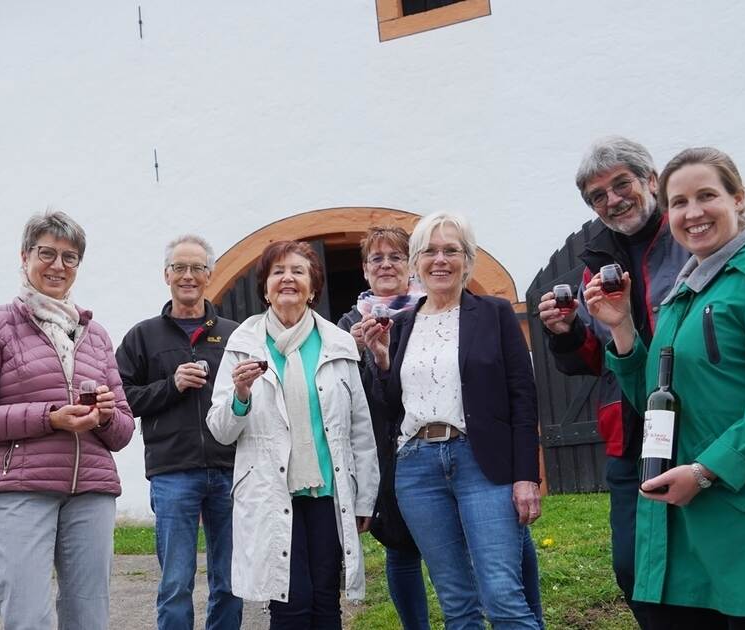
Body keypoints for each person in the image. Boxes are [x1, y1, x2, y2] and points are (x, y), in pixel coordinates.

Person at [588, 147, 745, 629]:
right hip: (687, 513)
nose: (692, 212)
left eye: (706, 196)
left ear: (737, 198)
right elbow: (656, 400)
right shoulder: (689, 288)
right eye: (679, 202)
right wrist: (621, 328)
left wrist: (705, 471)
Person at [0, 210, 135, 630]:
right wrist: (51, 418)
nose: (58, 265)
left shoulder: (96, 334)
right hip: (22, 486)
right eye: (47, 253)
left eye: (70, 257)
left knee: (89, 617)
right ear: (25, 256)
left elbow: (124, 429)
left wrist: (105, 416)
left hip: (91, 488)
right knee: (27, 615)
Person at [538, 135, 689, 627]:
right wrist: (566, 332)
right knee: (632, 566)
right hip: (630, 431)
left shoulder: (688, 239)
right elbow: (594, 360)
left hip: (697, 419)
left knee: (700, 559)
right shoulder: (596, 263)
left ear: (651, 180)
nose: (612, 200)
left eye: (621, 184)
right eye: (597, 196)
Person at [362, 212, 540, 629]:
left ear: (468, 259)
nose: (440, 260)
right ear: (416, 263)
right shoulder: (402, 324)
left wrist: (526, 477)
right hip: (417, 469)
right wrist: (383, 360)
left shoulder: (495, 313)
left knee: (502, 596)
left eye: (451, 251)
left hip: (482, 463)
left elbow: (523, 399)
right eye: (429, 251)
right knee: (456, 603)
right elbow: (393, 406)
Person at [207, 240, 379, 630]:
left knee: (326, 600)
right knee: (290, 602)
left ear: (313, 288)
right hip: (270, 492)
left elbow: (359, 428)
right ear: (265, 288)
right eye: (278, 272)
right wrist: (240, 395)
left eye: (298, 271)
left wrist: (365, 497)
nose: (288, 278)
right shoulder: (244, 344)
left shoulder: (337, 343)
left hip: (328, 492)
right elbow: (220, 429)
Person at [115, 234, 242, 630]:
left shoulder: (235, 333)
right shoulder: (143, 335)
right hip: (172, 471)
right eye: (179, 268)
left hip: (230, 467)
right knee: (175, 582)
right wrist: (171, 385)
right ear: (166, 275)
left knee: (230, 581)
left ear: (209, 275)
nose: (188, 275)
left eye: (197, 268)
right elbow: (121, 398)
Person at [335, 226, 431, 629]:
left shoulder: (431, 309)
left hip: (428, 439)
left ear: (411, 265)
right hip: (382, 450)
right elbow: (339, 394)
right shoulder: (347, 324)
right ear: (365, 269)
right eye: (377, 258)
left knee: (451, 543)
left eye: (396, 257)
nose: (386, 265)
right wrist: (353, 349)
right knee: (400, 545)